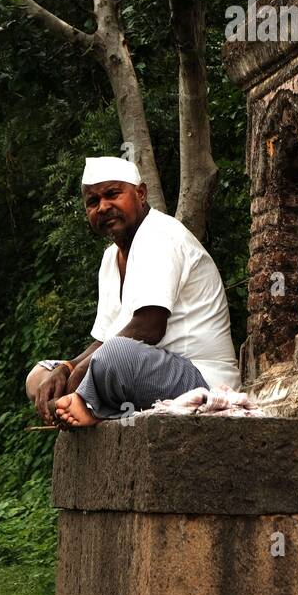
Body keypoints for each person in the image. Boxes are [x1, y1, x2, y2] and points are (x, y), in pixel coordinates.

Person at [25, 155, 240, 428]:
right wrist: (67, 368)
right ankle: (87, 401)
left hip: (199, 377)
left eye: (112, 194)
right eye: (93, 202)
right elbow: (104, 340)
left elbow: (149, 328)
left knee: (115, 356)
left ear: (140, 193)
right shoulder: (110, 259)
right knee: (40, 375)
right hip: (141, 369)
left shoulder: (160, 236)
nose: (103, 207)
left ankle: (92, 406)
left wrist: (82, 372)